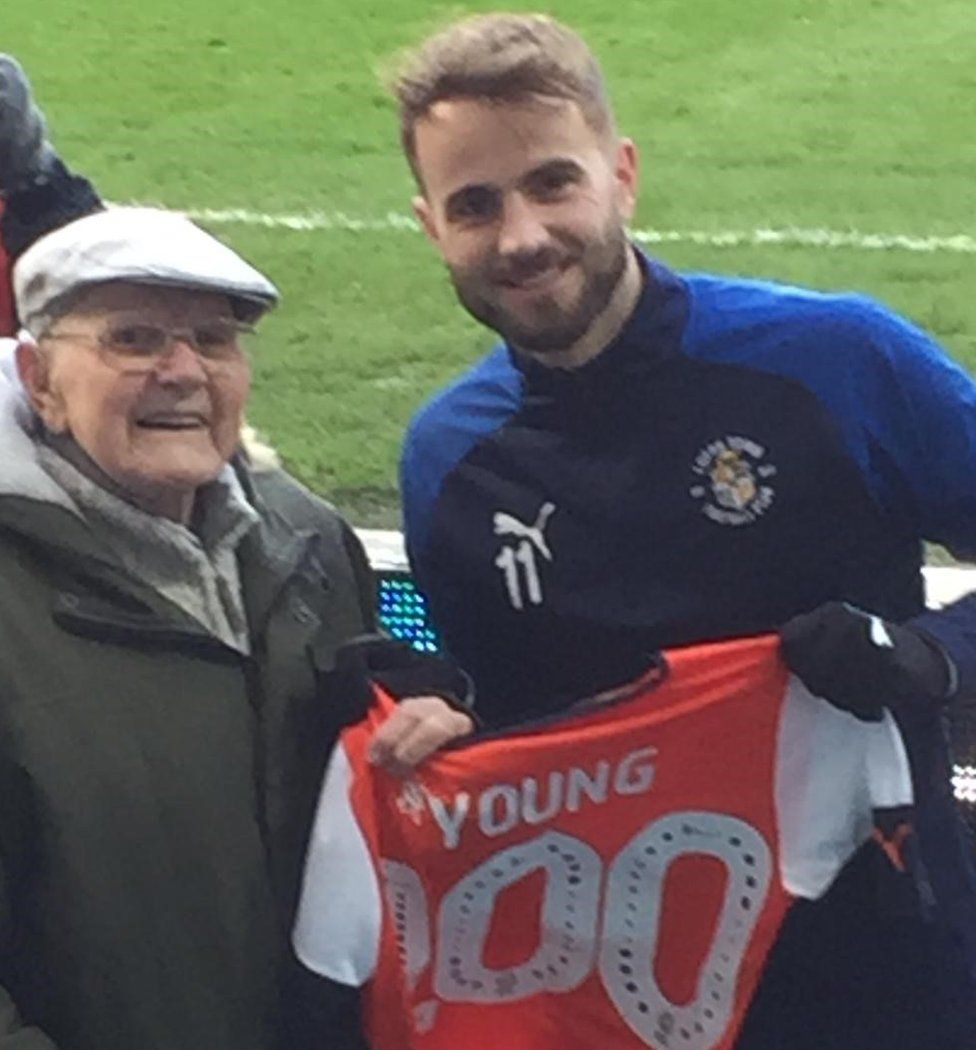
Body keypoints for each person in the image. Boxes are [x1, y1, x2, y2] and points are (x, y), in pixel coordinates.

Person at [381, 12, 976, 1049]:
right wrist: (429, 708)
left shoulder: (837, 360)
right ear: (431, 226)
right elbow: (499, 724)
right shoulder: (448, 458)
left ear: (621, 175)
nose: (521, 237)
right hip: (619, 994)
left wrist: (932, 657)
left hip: (882, 963)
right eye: (476, 205)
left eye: (552, 183)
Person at [0, 81, 475, 1048]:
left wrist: (432, 707)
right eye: (133, 339)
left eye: (213, 340)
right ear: (41, 381)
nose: (183, 372)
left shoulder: (308, 543)